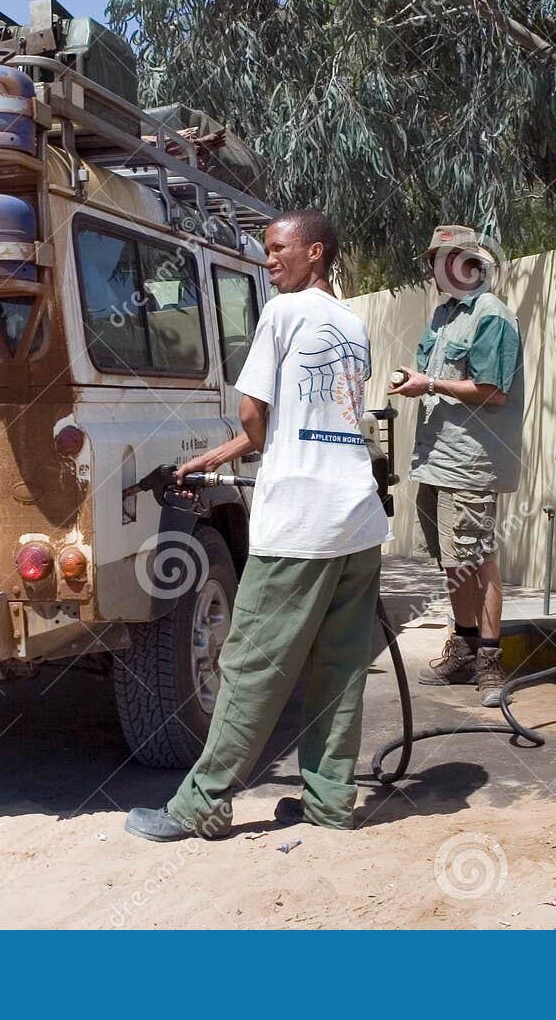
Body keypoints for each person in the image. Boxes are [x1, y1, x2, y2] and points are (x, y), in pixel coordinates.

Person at [125, 211, 390, 841]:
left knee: (251, 665)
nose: (269, 261)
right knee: (339, 666)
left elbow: (254, 416)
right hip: (357, 517)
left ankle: (202, 805)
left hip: (299, 522)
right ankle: (328, 803)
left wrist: (226, 449)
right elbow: (307, 421)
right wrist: (214, 458)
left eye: (278, 250)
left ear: (315, 252)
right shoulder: (354, 327)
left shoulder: (283, 314)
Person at [388, 225, 525, 708]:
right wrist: (416, 378)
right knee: (453, 559)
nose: (434, 269)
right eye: (433, 260)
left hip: (470, 459)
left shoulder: (492, 317)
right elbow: (438, 374)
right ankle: (465, 644)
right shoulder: (445, 316)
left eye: (444, 259)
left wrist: (428, 386)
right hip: (436, 457)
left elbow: (493, 391)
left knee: (477, 554)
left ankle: (491, 660)